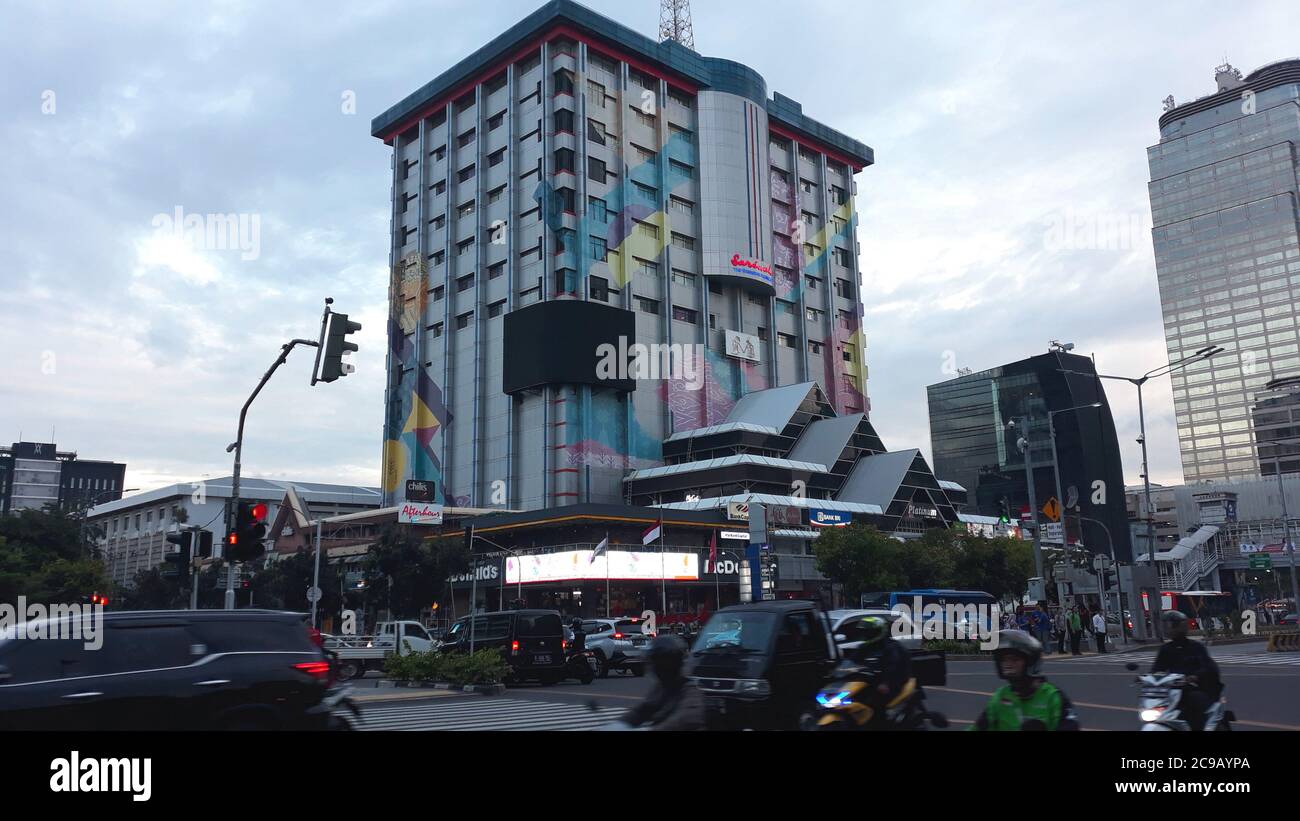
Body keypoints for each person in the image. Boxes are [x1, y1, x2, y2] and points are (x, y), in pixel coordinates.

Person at [970, 630, 1079, 731]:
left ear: (1029, 662)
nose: (1008, 664)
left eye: (1014, 659)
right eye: (1004, 659)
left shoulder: (1052, 697)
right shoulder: (1000, 697)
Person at [1151, 610, 1222, 731]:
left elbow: (1207, 667)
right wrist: (1146, 678)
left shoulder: (1196, 647)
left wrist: (1194, 676)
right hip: (1172, 690)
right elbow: (1157, 669)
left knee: (1196, 701)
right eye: (1165, 625)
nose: (1167, 629)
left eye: (1170, 625)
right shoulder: (1166, 649)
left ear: (1180, 626)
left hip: (1195, 687)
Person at [624, 635, 704, 731]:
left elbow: (684, 719)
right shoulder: (661, 689)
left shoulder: (690, 690)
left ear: (664, 664)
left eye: (653, 663)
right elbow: (642, 710)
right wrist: (620, 724)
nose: (650, 668)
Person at [844, 616, 913, 711]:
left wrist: (886, 682)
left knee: (874, 703)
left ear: (879, 632)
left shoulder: (891, 647)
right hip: (871, 680)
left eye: (870, 632)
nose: (867, 635)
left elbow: (892, 666)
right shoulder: (865, 646)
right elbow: (852, 660)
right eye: (866, 632)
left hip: (892, 682)